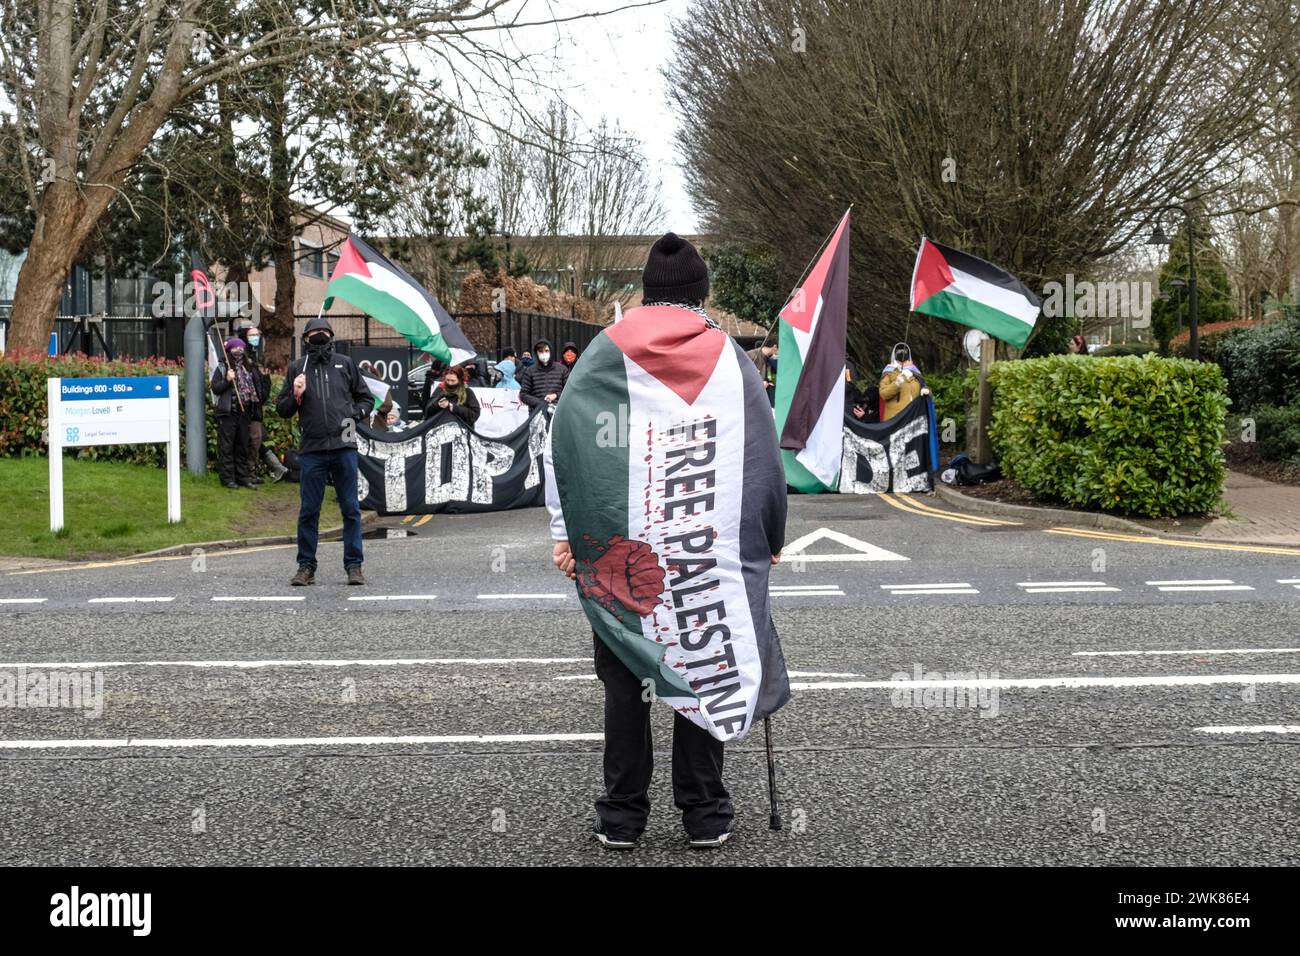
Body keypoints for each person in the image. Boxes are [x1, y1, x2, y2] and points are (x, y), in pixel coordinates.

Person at [546, 232, 790, 851]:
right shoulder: (729, 358)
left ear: (646, 290)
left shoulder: (605, 352)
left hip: (621, 553)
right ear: (701, 292)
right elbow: (760, 458)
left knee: (627, 678)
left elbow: (565, 446)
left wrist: (565, 531)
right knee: (705, 658)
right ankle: (704, 813)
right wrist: (769, 536)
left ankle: (621, 816)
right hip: (703, 548)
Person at [275, 317, 373, 587]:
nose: (319, 336)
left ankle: (354, 566)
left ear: (331, 335)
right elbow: (282, 410)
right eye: (313, 333)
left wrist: (352, 415)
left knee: (351, 509)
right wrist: (295, 394)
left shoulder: (345, 363)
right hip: (313, 448)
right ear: (306, 339)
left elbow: (366, 398)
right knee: (309, 510)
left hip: (344, 445)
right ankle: (306, 567)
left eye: (323, 332)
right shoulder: (298, 368)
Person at [235, 324, 288, 482]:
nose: (255, 337)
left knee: (256, 440)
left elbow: (262, 391)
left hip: (255, 408)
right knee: (253, 440)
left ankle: (258, 471)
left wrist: (266, 379)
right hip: (246, 408)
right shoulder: (243, 358)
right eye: (252, 335)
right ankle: (250, 473)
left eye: (257, 334)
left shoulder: (256, 358)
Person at [210, 337, 258, 490]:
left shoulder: (248, 366)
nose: (239, 351)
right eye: (235, 348)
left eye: (241, 348)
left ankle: (242, 477)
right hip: (228, 413)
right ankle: (227, 478)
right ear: (229, 350)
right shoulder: (223, 367)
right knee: (227, 447)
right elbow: (215, 388)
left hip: (244, 413)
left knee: (242, 446)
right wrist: (227, 380)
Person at [879, 342, 930, 420]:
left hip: (913, 417)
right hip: (896, 418)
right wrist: (897, 383)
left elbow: (924, 386)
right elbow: (884, 394)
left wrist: (926, 390)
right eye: (899, 351)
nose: (902, 353)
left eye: (905, 351)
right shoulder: (889, 372)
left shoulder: (915, 372)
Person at [518, 337, 567, 409]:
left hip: (558, 412)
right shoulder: (530, 371)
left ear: (551, 351)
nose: (544, 353)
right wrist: (539, 402)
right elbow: (523, 394)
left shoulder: (562, 369)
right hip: (537, 412)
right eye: (541, 351)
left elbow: (569, 391)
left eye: (546, 351)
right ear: (536, 353)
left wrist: (556, 395)